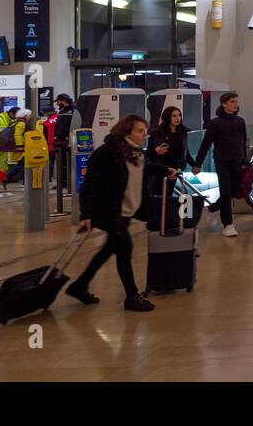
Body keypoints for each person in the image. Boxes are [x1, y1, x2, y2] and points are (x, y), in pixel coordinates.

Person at [67, 114, 176, 312]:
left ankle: (79, 285)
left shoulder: (136, 152)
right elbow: (90, 184)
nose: (144, 134)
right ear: (127, 131)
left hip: (126, 210)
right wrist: (86, 215)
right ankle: (132, 296)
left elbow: (143, 169)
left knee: (109, 249)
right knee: (124, 249)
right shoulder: (107, 153)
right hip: (110, 211)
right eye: (139, 131)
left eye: (145, 130)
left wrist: (163, 169)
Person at [194, 92, 248, 237]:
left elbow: (243, 142)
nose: (235, 104)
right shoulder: (215, 123)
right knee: (226, 191)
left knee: (234, 191)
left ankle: (215, 206)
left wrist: (245, 159)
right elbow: (206, 144)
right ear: (224, 104)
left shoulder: (240, 121)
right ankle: (228, 224)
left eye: (236, 101)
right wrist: (197, 164)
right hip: (222, 162)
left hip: (237, 162)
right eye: (232, 102)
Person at [149, 106, 189, 172]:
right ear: (167, 117)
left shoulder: (184, 132)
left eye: (179, 115)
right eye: (174, 116)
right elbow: (148, 152)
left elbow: (186, 152)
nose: (178, 118)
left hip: (177, 167)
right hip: (160, 167)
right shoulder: (157, 132)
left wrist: (195, 165)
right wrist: (155, 151)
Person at [2, 109, 35, 184]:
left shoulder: (17, 123)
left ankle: (8, 178)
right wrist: (19, 146)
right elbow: (17, 135)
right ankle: (12, 178)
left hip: (23, 147)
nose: (29, 117)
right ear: (25, 116)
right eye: (29, 115)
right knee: (23, 165)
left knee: (21, 164)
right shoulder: (21, 124)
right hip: (22, 148)